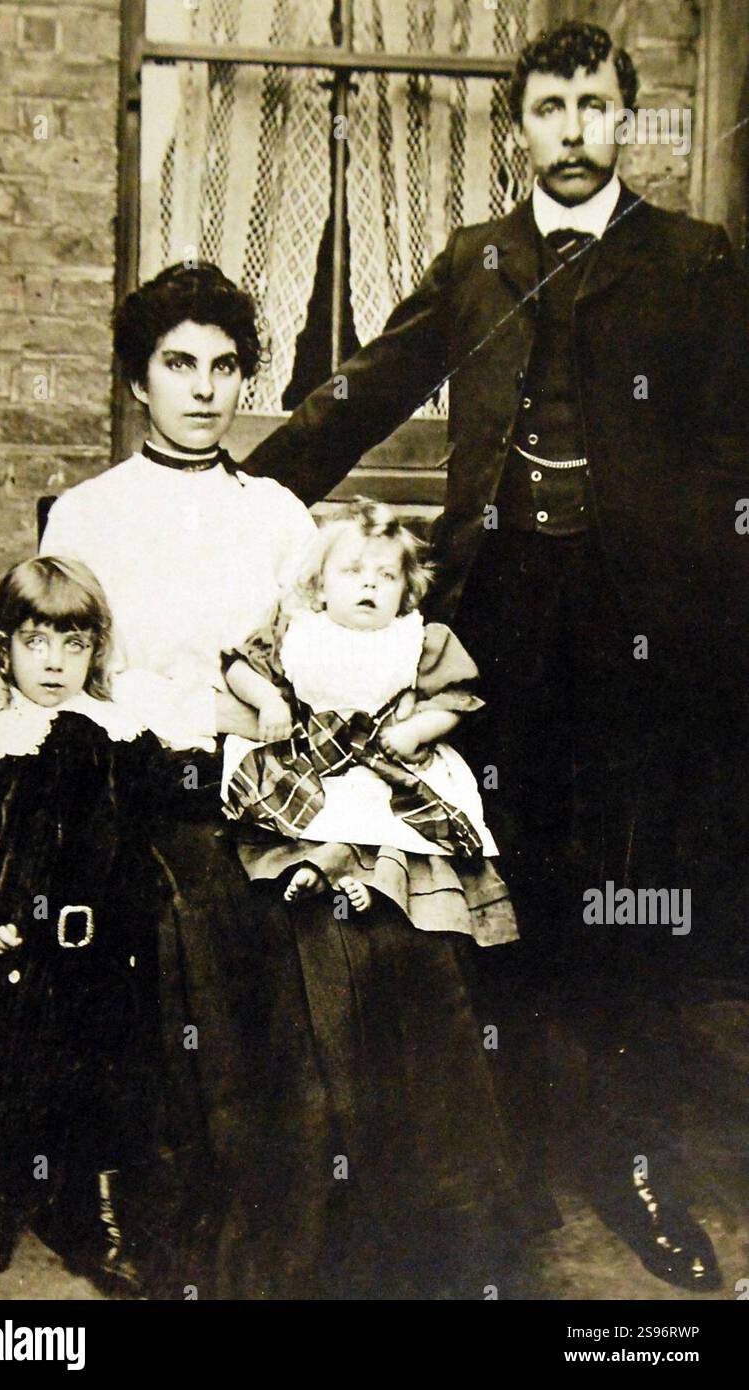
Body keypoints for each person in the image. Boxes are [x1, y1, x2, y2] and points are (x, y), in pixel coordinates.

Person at [242, 20, 749, 1291]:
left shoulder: (691, 262)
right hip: (498, 617)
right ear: (512, 128)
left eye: (594, 105)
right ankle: (495, 1160)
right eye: (549, 108)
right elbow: (367, 387)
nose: (572, 129)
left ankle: (630, 1159)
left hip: (641, 631)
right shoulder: (477, 260)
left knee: (632, 890)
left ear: (625, 120)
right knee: (491, 872)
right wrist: (240, 498)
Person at [38, 262, 318, 1297]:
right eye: (177, 363)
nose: (203, 388)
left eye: (225, 366)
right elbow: (71, 675)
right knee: (149, 905)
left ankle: (278, 1194)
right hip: (128, 775)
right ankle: (121, 1188)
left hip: (250, 773)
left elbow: (304, 670)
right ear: (136, 380)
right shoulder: (88, 515)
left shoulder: (279, 516)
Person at [0, 557, 165, 1296]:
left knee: (100, 1081)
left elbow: (137, 848)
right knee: (9, 1074)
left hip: (97, 951)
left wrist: (131, 937)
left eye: (75, 645)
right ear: (2, 648)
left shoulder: (118, 736)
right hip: (18, 952)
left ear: (97, 650)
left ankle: (91, 1214)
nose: (56, 663)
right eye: (37, 644)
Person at [222, 497, 516, 946]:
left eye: (386, 576)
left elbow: (454, 697)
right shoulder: (298, 632)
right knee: (312, 814)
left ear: (405, 591)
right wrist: (269, 702)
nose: (370, 586)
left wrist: (416, 729)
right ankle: (318, 870)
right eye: (353, 572)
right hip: (315, 759)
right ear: (320, 587)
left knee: (395, 824)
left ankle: (377, 887)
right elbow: (240, 666)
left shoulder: (415, 639)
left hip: (387, 758)